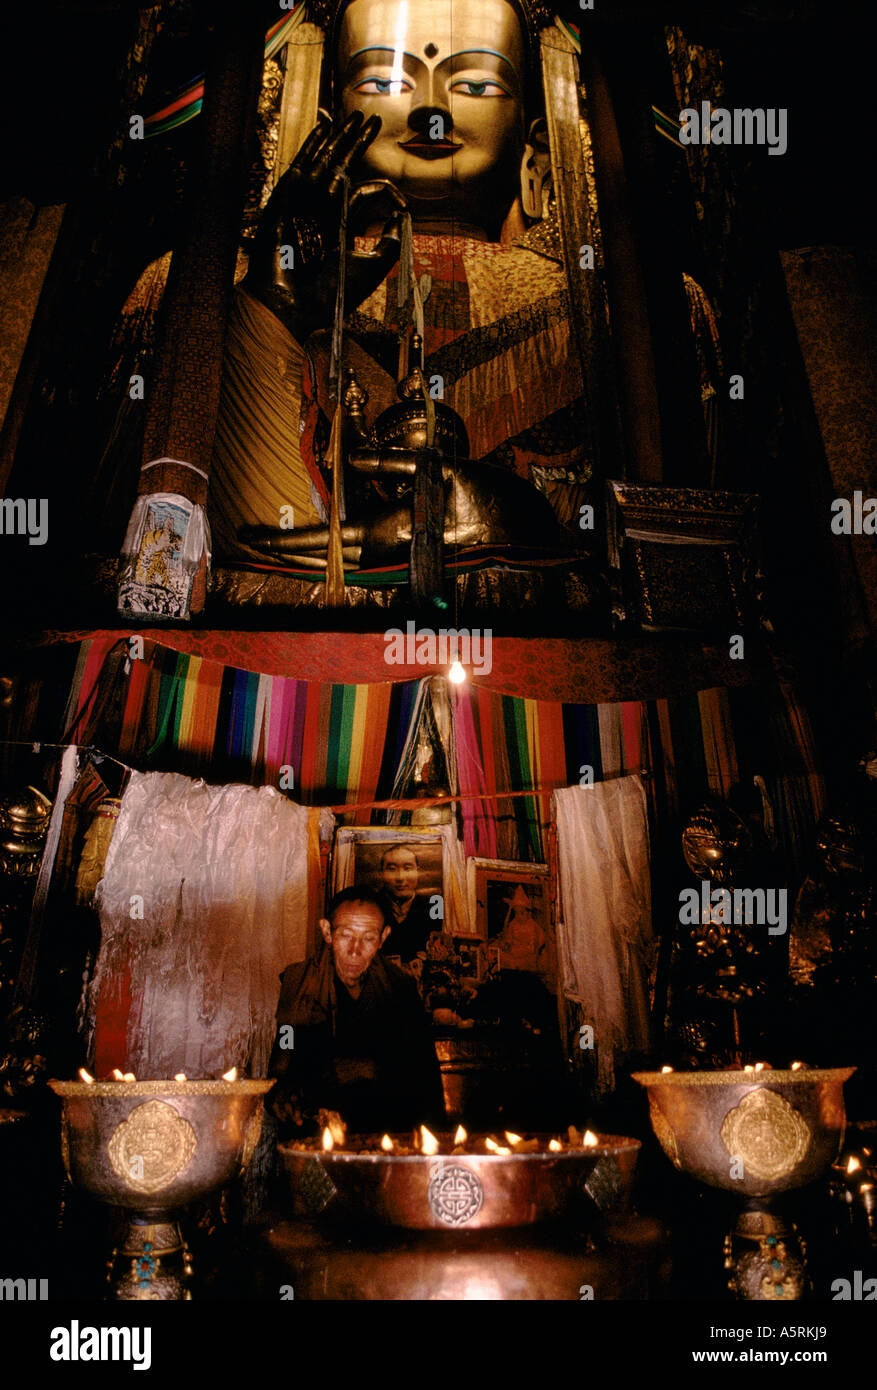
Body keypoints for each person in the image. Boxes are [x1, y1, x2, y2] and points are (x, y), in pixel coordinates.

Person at [268, 885, 445, 1136]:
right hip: (318, 1130)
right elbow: (285, 1044)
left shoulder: (401, 988)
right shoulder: (299, 982)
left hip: (389, 1130)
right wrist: (281, 1091)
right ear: (327, 931)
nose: (355, 950)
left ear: (383, 938)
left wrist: (370, 1069)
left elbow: (425, 1077)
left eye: (368, 938)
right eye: (346, 935)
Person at [377, 844, 435, 962]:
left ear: (418, 872)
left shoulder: (434, 906)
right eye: (392, 869)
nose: (400, 877)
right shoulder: (371, 905)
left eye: (408, 868)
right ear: (381, 873)